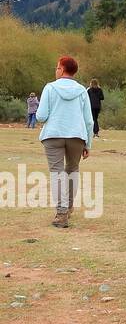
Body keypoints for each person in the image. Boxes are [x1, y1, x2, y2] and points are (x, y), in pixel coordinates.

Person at [35, 55, 94, 229]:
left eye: (57, 67)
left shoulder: (50, 88)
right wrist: (88, 144)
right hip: (76, 135)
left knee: (57, 172)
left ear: (61, 69)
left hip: (53, 135)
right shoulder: (82, 90)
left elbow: (41, 115)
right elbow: (89, 121)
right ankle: (68, 207)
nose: (56, 70)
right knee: (72, 170)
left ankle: (61, 214)